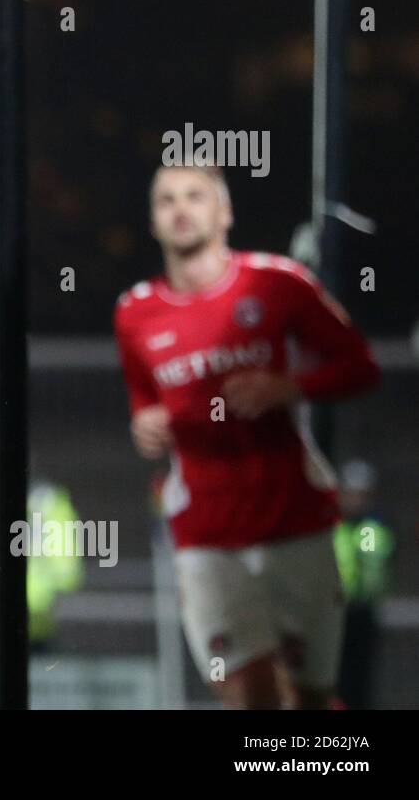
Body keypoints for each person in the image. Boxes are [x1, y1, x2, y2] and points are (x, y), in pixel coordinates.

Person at [114, 161, 379, 709]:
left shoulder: (277, 283)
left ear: (225, 212)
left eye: (195, 196)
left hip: (295, 520)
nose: (181, 209)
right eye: (167, 200)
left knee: (310, 697)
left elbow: (360, 368)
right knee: (248, 692)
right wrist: (144, 426)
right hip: (207, 534)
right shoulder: (135, 312)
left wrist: (290, 386)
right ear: (153, 221)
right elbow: (146, 406)